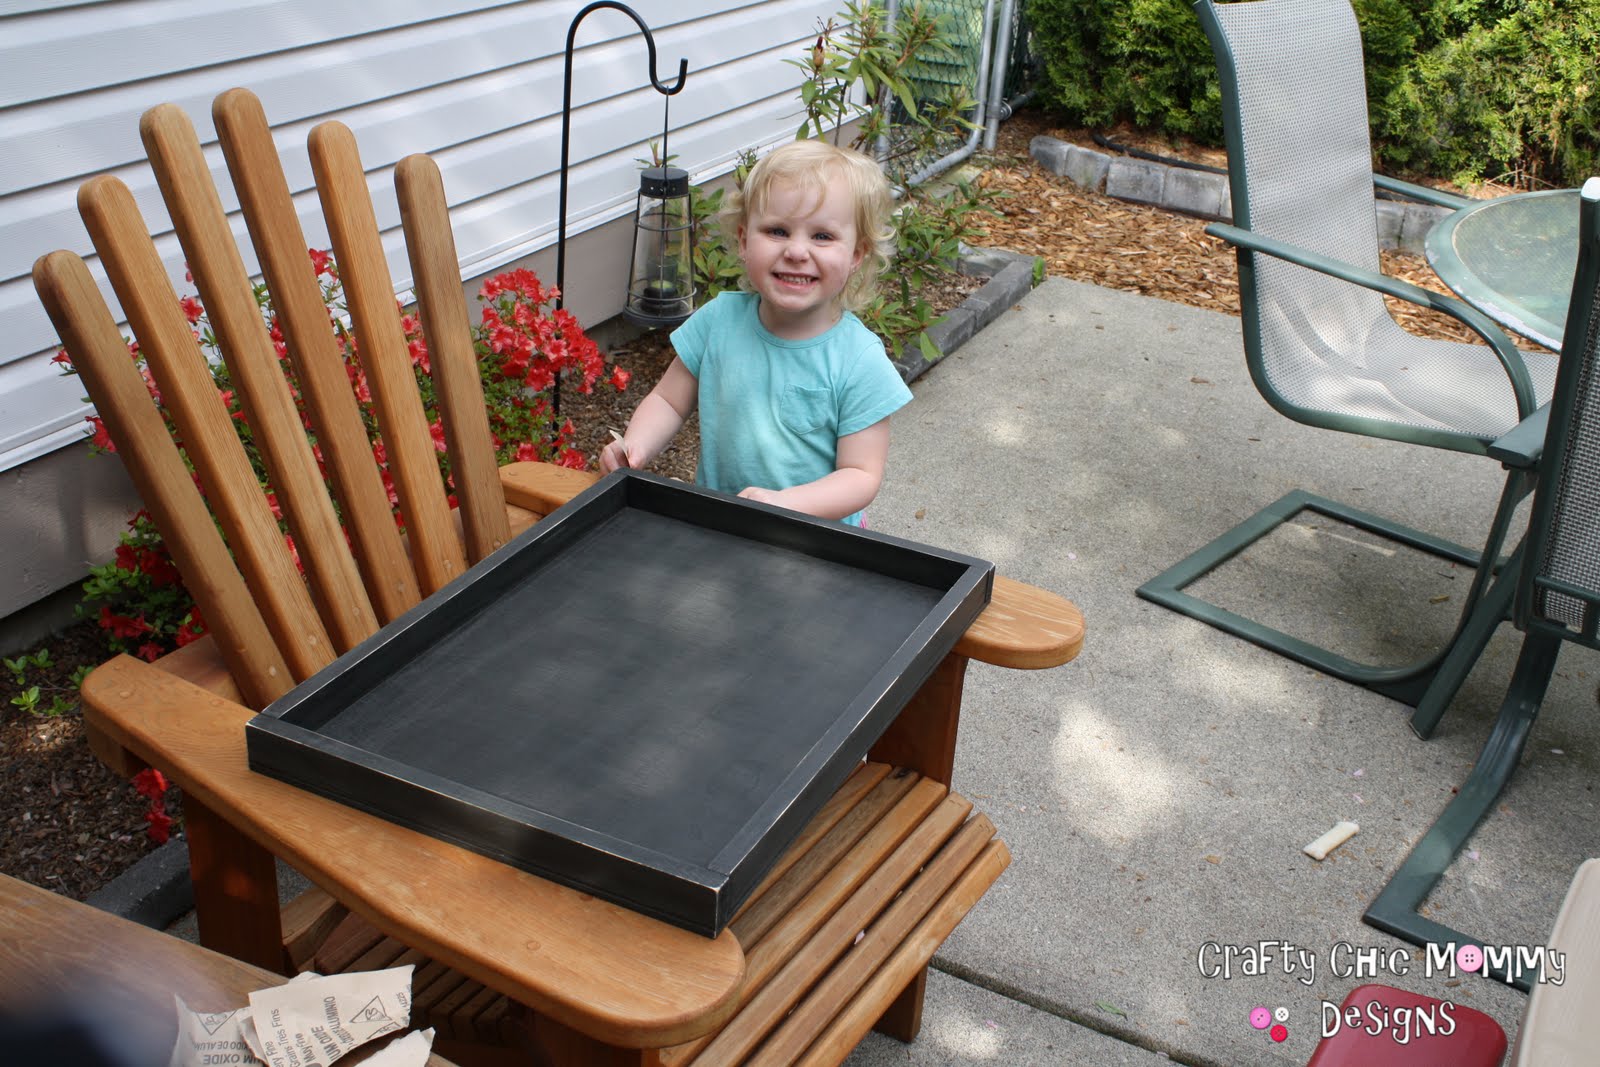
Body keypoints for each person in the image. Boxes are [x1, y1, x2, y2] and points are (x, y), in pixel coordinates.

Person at [599, 139, 912, 527]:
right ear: (745, 241)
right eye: (778, 230)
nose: (797, 251)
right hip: (723, 523)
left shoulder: (859, 359)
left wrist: (786, 503)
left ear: (856, 255)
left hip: (821, 542)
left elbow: (861, 475)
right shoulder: (718, 321)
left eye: (822, 236)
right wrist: (635, 446)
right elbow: (668, 401)